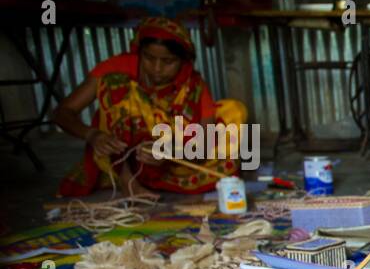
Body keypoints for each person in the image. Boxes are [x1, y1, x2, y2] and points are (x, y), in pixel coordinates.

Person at [53, 17, 247, 196]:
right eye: (148, 58)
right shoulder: (116, 68)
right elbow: (63, 112)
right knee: (117, 87)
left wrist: (172, 152)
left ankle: (160, 177)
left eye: (168, 61)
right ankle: (128, 181)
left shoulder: (193, 85)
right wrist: (93, 135)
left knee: (233, 112)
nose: (156, 69)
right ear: (139, 52)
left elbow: (203, 145)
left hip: (172, 160)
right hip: (124, 159)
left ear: (183, 61)